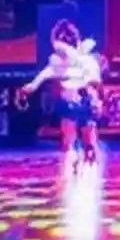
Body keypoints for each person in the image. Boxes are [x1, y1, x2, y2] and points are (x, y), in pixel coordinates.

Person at [22, 38, 103, 168]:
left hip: (85, 103)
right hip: (70, 105)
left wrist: (94, 100)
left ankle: (89, 160)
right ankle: (74, 161)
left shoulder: (87, 62)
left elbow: (95, 83)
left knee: (89, 140)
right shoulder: (54, 66)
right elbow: (36, 83)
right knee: (70, 138)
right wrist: (28, 89)